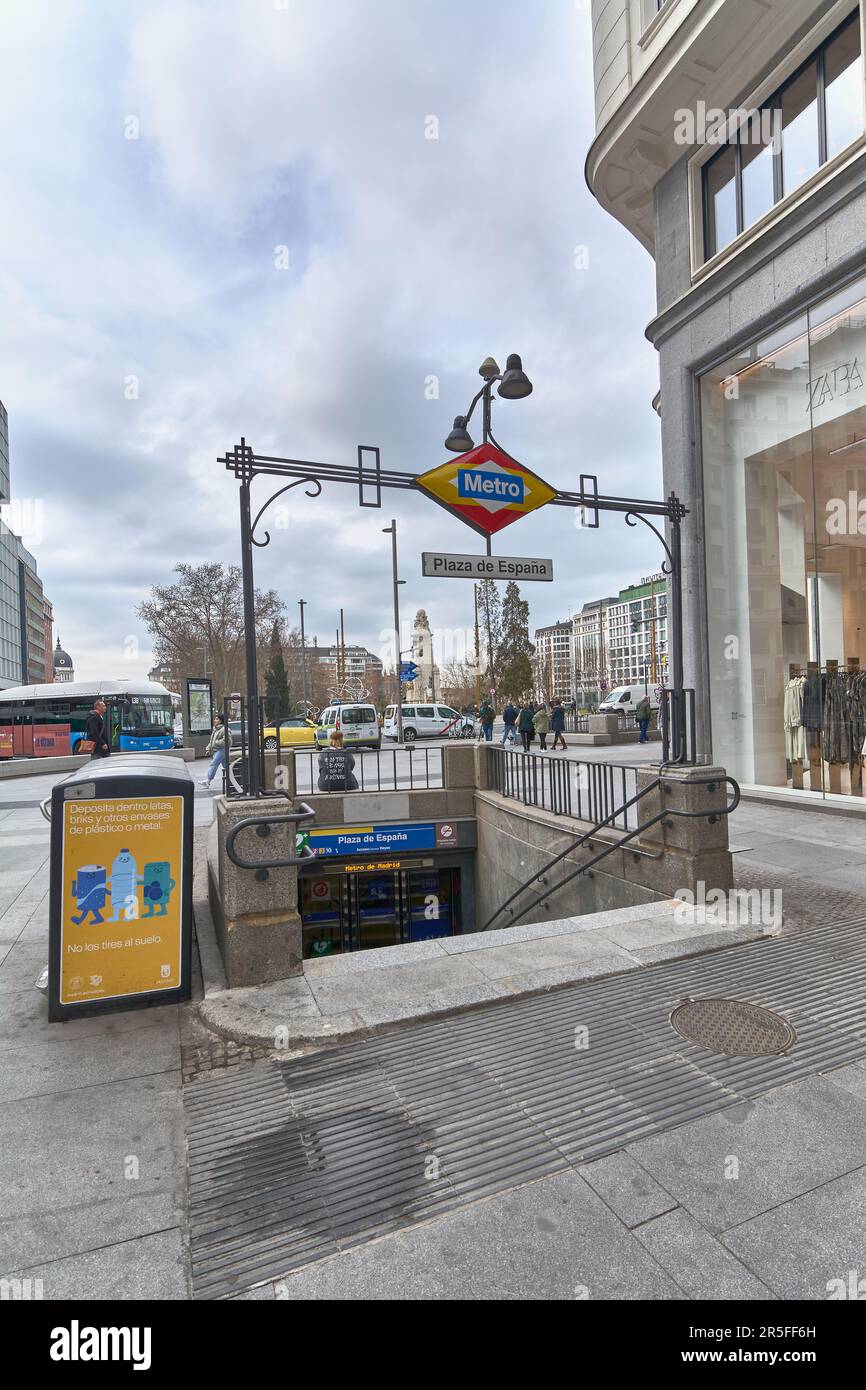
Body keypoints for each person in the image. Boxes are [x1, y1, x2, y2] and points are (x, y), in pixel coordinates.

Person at [202, 715, 227, 789]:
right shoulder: (216, 730)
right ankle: (233, 779)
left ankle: (208, 780)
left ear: (221, 721)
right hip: (218, 750)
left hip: (222, 749)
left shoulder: (224, 729)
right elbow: (211, 741)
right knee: (226, 766)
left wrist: (216, 743)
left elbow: (227, 741)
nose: (214, 720)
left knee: (213, 764)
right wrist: (208, 749)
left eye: (216, 719)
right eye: (214, 719)